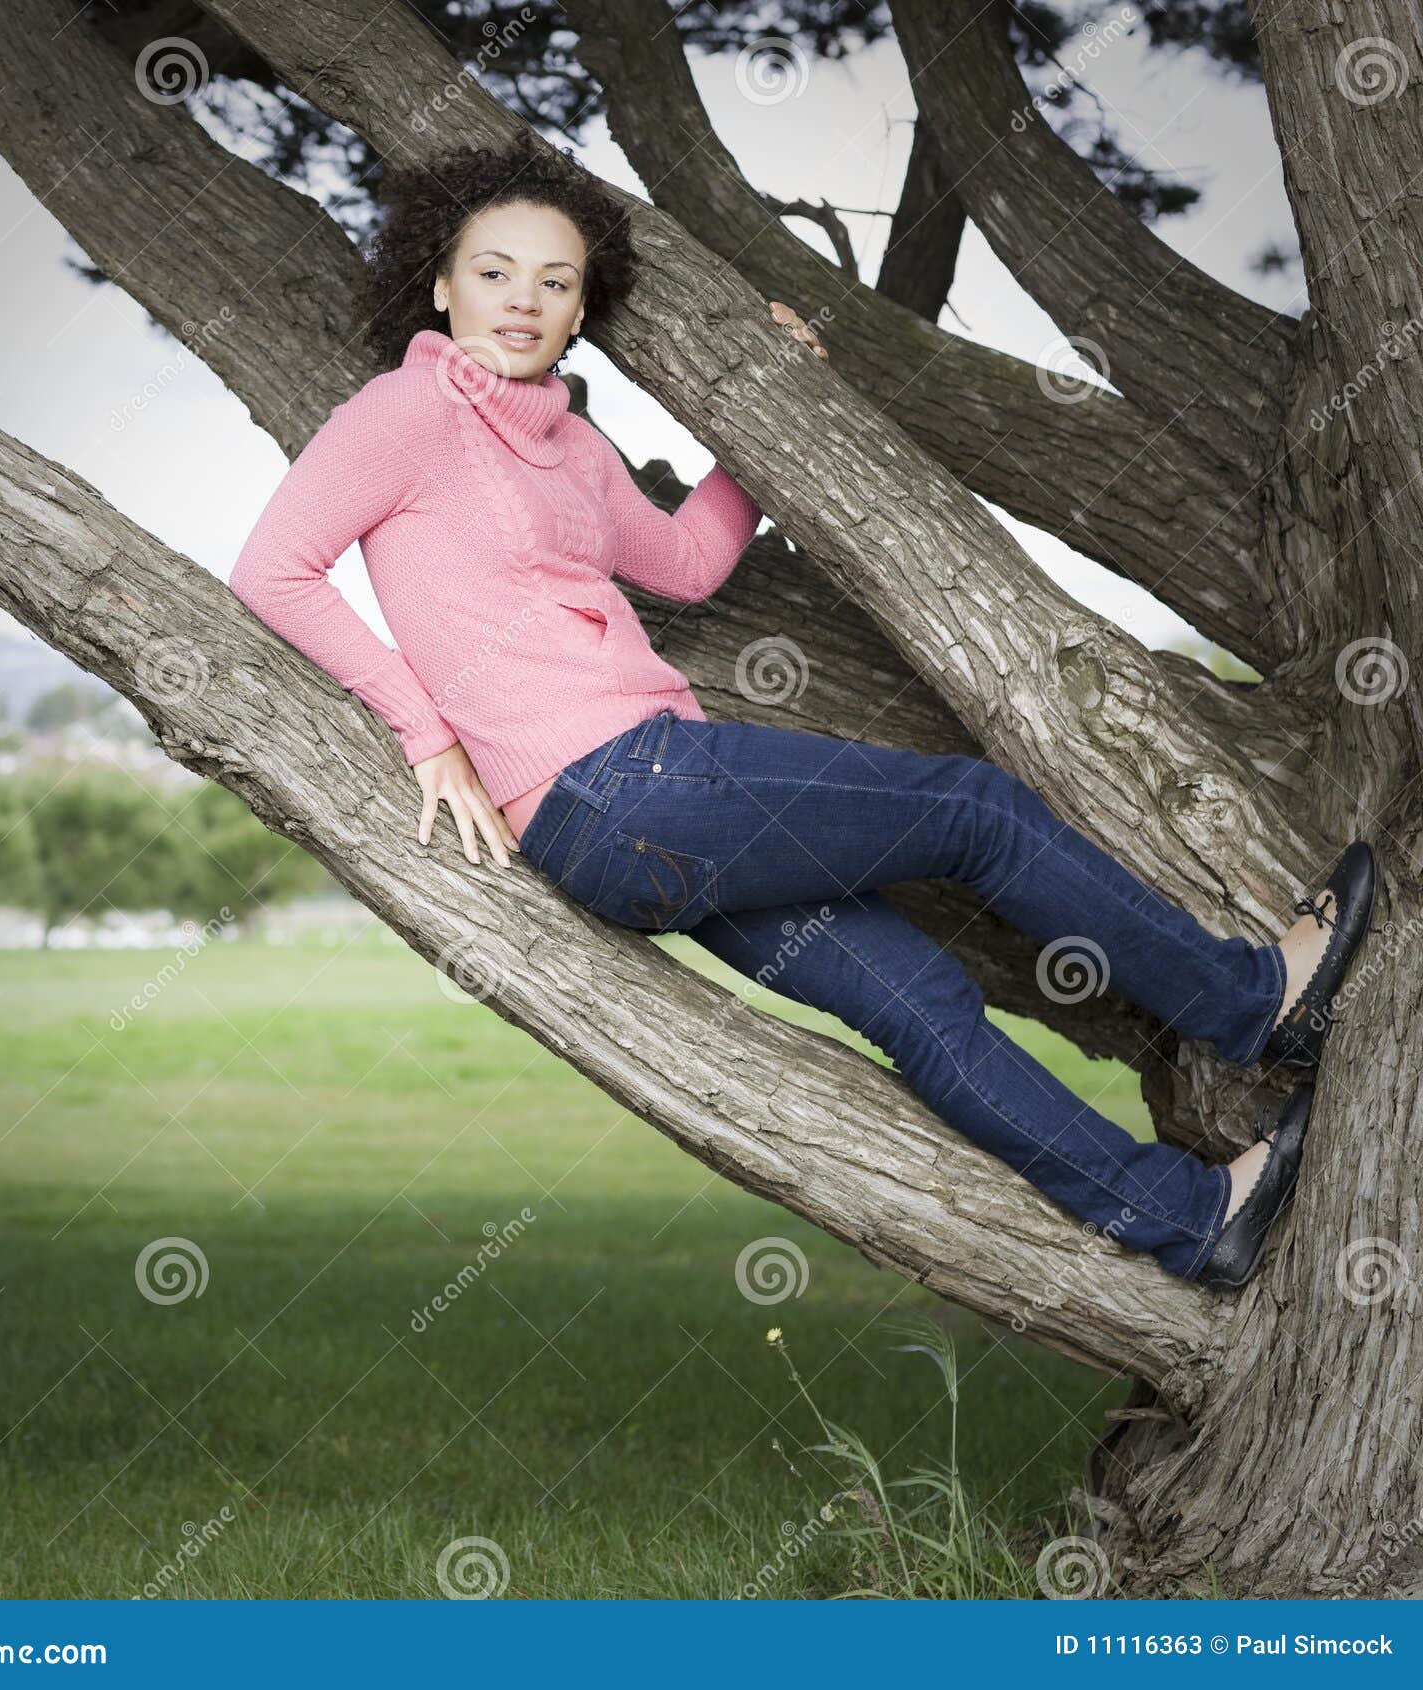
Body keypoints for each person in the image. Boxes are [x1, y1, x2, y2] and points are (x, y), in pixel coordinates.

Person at [228, 134, 1376, 1290]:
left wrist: (763, 420)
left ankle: (1189, 1219)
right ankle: (1246, 1000)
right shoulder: (404, 411)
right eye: (493, 271)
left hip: (640, 828)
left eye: (555, 280)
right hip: (624, 787)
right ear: (438, 281)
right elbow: (273, 569)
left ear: (583, 308)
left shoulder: (571, 444)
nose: (521, 301)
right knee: (974, 808)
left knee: (917, 1000)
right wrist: (427, 734)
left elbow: (682, 563)